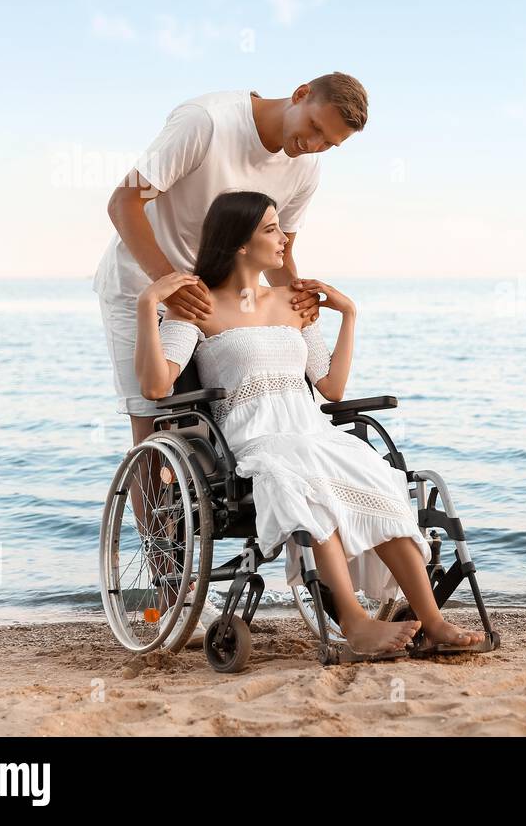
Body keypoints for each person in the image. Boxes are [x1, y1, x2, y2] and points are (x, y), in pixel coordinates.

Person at [135, 190, 486, 655]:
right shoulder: (198, 306)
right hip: (252, 436)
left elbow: (332, 387)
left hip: (310, 429)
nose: (284, 240)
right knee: (303, 478)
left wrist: (350, 316)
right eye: (271, 229)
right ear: (240, 242)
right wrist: (147, 307)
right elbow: (157, 387)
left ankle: (434, 621)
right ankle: (355, 621)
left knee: (377, 479)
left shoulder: (295, 303)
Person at [93, 74, 367, 636]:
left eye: (328, 144)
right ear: (299, 94)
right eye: (314, 128)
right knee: (156, 430)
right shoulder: (208, 122)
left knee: (222, 424)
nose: (314, 146)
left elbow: (281, 248)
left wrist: (299, 298)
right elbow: (123, 201)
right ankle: (165, 598)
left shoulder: (305, 168)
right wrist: (167, 282)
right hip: (142, 288)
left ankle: (328, 579)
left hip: (227, 297)